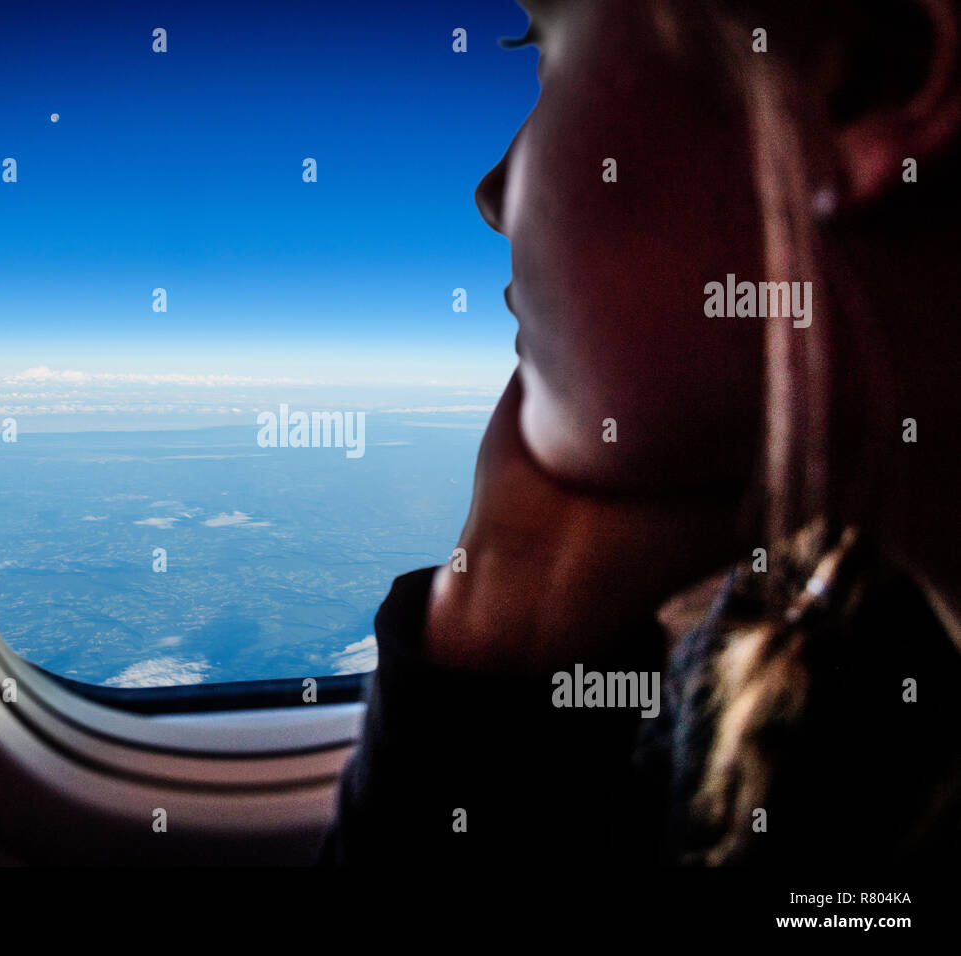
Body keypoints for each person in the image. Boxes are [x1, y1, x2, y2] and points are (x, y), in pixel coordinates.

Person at [320, 0, 961, 866]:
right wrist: (508, 609)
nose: (493, 195)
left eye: (551, 53)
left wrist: (482, 683)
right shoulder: (810, 672)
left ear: (875, 79)